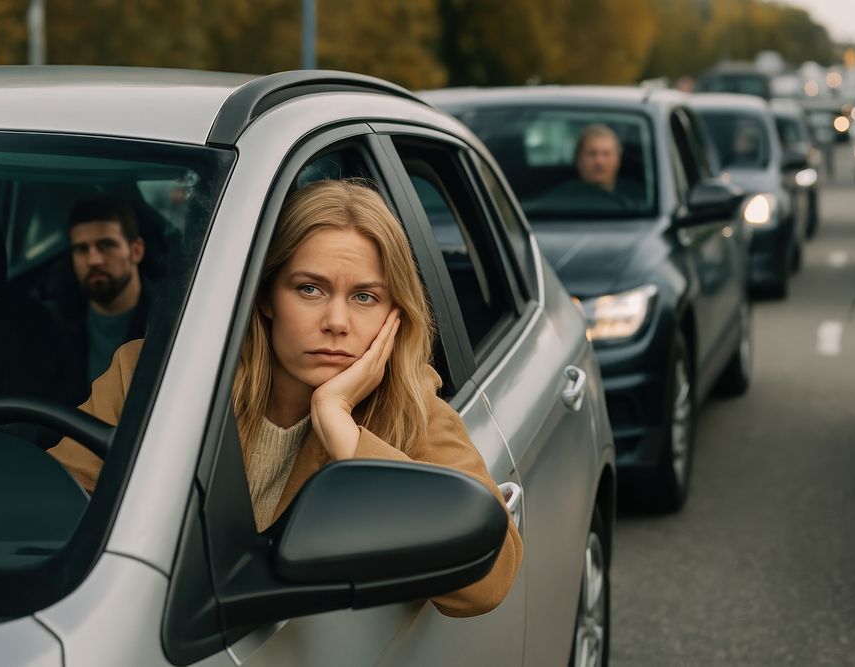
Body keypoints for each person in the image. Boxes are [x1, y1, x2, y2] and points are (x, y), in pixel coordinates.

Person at [48, 179, 522, 617]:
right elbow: (49, 516)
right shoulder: (156, 375)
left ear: (394, 315)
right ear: (267, 295)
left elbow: (490, 578)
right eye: (310, 288)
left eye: (364, 297)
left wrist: (344, 432)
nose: (336, 321)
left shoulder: (409, 407)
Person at [54, 195, 150, 401]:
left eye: (106, 245)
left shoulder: (170, 321)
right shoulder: (53, 321)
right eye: (81, 249)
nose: (94, 260)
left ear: (136, 251)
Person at [529, 123, 644, 213]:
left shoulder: (640, 198)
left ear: (618, 160)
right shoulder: (559, 200)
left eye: (606, 154)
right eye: (592, 154)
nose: (599, 162)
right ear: (578, 159)